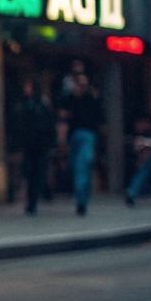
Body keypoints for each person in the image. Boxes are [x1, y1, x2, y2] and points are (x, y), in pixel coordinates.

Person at [58, 73, 103, 215]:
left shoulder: (89, 100)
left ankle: (81, 200)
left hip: (86, 136)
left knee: (82, 168)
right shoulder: (71, 99)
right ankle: (81, 198)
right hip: (77, 137)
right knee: (79, 167)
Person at [18, 79, 57, 215]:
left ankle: (35, 199)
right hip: (30, 145)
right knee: (31, 173)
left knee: (38, 173)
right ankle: (34, 199)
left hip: (40, 145)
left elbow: (48, 123)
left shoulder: (41, 103)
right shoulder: (25, 104)